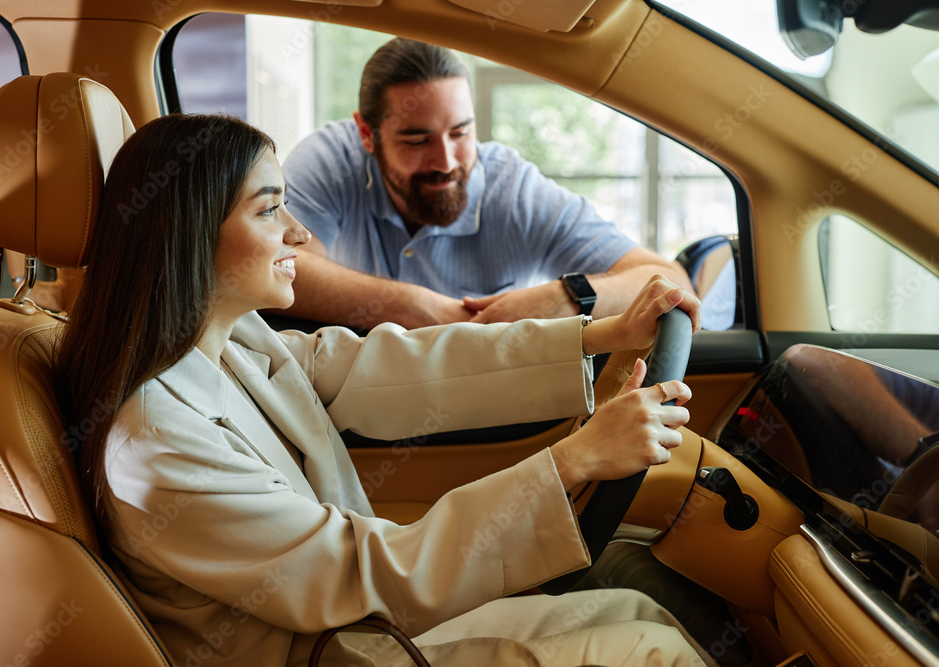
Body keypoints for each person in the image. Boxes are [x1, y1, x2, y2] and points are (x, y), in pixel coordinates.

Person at [55, 112, 709, 666]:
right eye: (268, 209)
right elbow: (350, 573)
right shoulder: (156, 440)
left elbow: (394, 367)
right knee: (652, 651)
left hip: (351, 632)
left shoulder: (231, 340)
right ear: (189, 232)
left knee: (635, 609)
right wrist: (576, 459)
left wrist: (600, 335)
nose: (298, 233)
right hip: (332, 650)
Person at [278, 38, 693, 331]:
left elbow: (668, 281)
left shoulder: (514, 189)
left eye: (460, 133)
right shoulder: (331, 161)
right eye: (417, 140)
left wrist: (563, 298)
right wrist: (420, 309)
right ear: (367, 134)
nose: (446, 161)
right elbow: (280, 265)